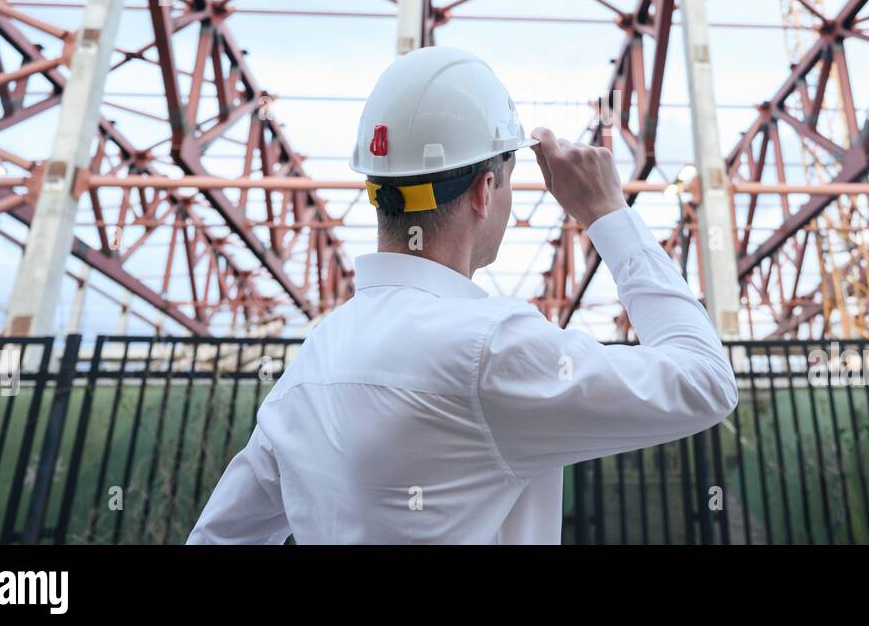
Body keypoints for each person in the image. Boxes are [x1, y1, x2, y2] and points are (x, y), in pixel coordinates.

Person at [187, 46, 738, 544]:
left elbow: (217, 539)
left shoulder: (313, 363)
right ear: (484, 190)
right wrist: (609, 214)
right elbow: (705, 380)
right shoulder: (489, 349)